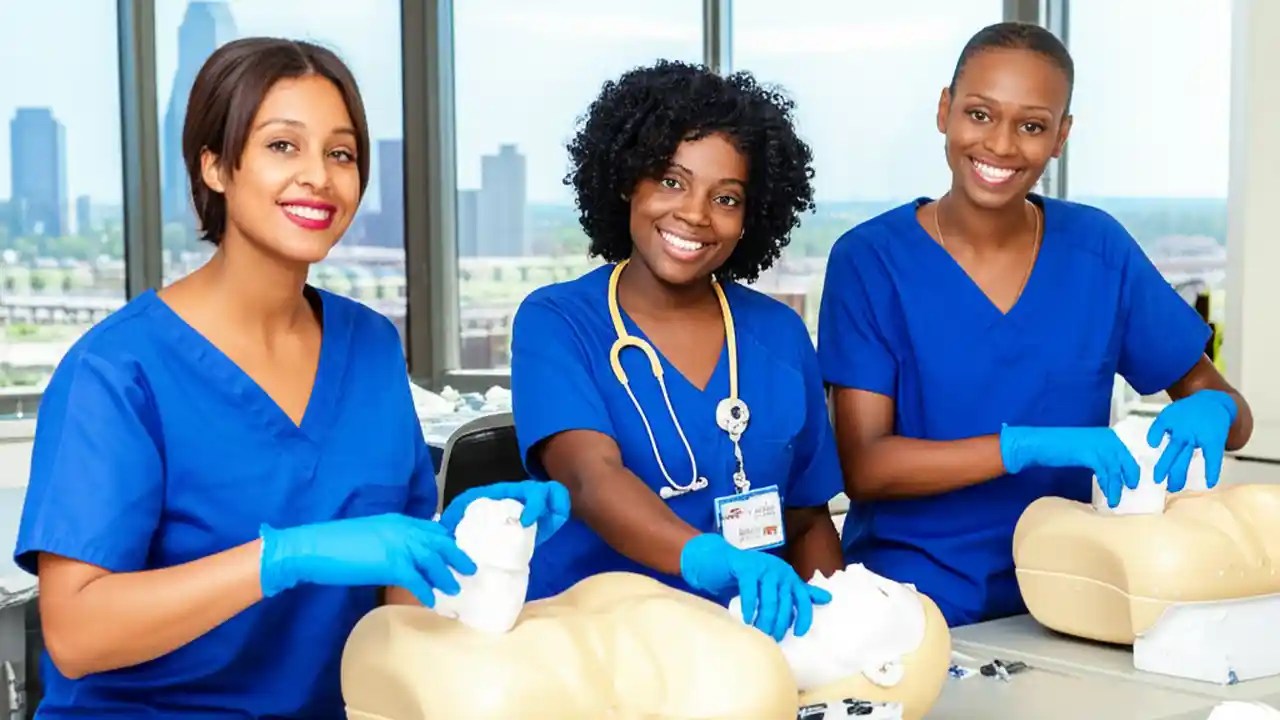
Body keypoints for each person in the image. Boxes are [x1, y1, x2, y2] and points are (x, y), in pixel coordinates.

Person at [13, 37, 568, 718]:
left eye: (341, 153)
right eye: (283, 146)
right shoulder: (117, 372)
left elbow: (392, 601)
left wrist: (465, 538)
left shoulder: (367, 346)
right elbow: (76, 633)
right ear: (215, 166)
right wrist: (284, 557)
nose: (319, 176)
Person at [816, 22, 1253, 628]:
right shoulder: (871, 261)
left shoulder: (1097, 248)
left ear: (1060, 136)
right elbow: (865, 467)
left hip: (1073, 602)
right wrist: (1022, 445)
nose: (1000, 145)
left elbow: (1228, 412)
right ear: (944, 111)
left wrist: (1218, 410)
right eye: (979, 113)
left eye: (1031, 125)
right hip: (914, 609)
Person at [509, 60, 845, 643]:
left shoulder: (779, 335)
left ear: (752, 216)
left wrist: (840, 633)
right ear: (625, 181)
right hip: (587, 651)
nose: (694, 213)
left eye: (727, 197)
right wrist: (711, 560)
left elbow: (808, 517)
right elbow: (591, 480)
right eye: (670, 181)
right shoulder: (558, 321)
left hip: (742, 657)